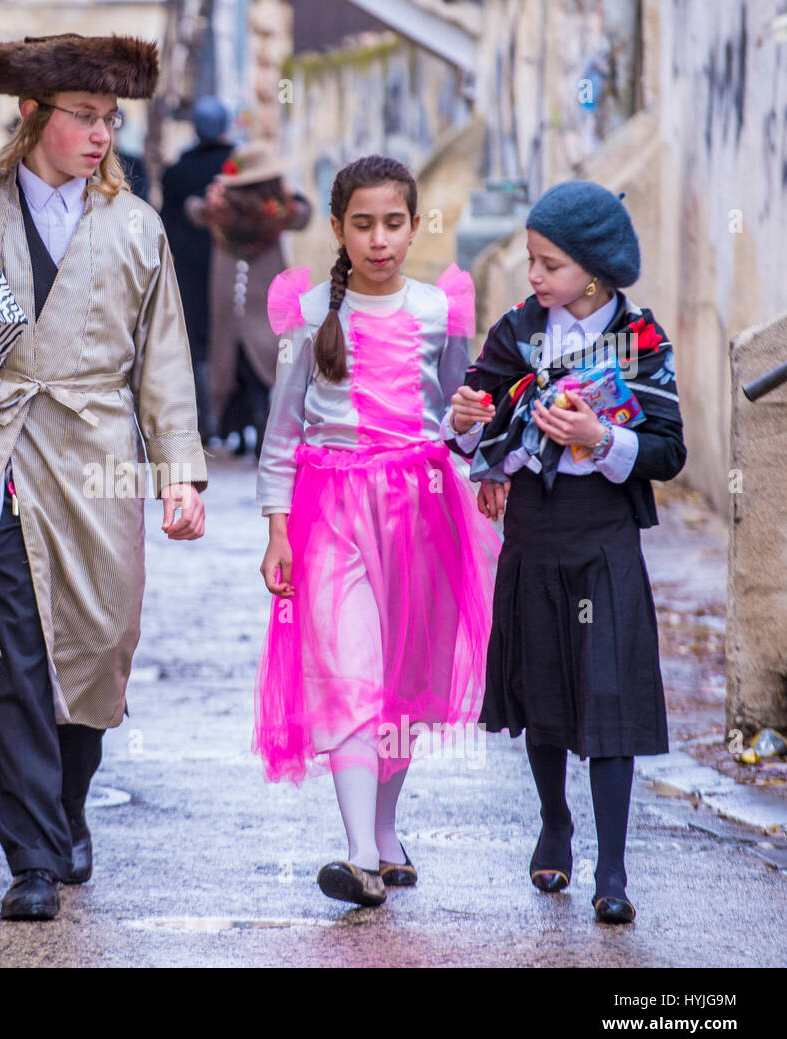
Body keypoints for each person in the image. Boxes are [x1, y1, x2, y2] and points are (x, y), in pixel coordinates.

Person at [0, 33, 207, 922]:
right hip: (4, 451)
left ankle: (67, 805)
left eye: (111, 119)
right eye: (85, 117)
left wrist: (180, 475)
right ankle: (29, 853)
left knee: (97, 647)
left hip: (101, 460)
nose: (102, 135)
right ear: (31, 114)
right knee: (13, 649)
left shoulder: (139, 227)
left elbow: (164, 359)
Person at [254, 155, 498, 907]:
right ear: (338, 230)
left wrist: (477, 441)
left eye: (394, 223)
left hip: (422, 508)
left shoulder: (438, 310)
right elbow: (280, 432)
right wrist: (277, 529)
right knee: (349, 671)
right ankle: (358, 852)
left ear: (413, 224)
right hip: (331, 510)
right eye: (363, 224)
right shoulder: (308, 318)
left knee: (402, 678)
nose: (381, 239)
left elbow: (463, 420)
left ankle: (386, 831)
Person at [445, 180, 685, 925]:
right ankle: (555, 820)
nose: (534, 276)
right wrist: (463, 423)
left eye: (548, 263)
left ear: (594, 268)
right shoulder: (518, 333)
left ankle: (612, 866)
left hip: (605, 530)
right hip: (535, 530)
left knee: (609, 693)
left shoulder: (642, 342)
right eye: (531, 260)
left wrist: (600, 440)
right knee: (541, 683)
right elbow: (475, 430)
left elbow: (669, 450)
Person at [186, 143, 311, 458]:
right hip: (269, 286)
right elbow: (305, 215)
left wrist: (213, 196)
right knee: (268, 356)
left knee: (231, 357)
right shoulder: (278, 209)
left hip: (229, 287)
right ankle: (263, 419)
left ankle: (237, 430)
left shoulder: (222, 207)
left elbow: (193, 210)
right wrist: (290, 193)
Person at [160, 97, 235, 442]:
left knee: (196, 344)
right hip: (235, 266)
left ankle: (206, 422)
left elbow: (165, 224)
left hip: (188, 268)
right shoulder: (236, 165)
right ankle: (236, 419)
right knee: (236, 341)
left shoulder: (176, 172)